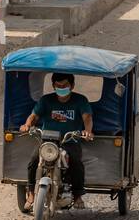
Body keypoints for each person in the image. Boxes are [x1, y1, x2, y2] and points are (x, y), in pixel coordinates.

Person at [19, 72, 93, 208]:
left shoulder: (80, 100)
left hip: (69, 141)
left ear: (72, 86)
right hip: (48, 141)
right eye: (58, 85)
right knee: (34, 161)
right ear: (53, 86)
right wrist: (27, 125)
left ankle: (77, 196)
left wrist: (87, 131)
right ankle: (31, 193)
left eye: (65, 85)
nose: (61, 88)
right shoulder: (46, 100)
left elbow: (87, 117)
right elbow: (33, 116)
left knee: (76, 163)